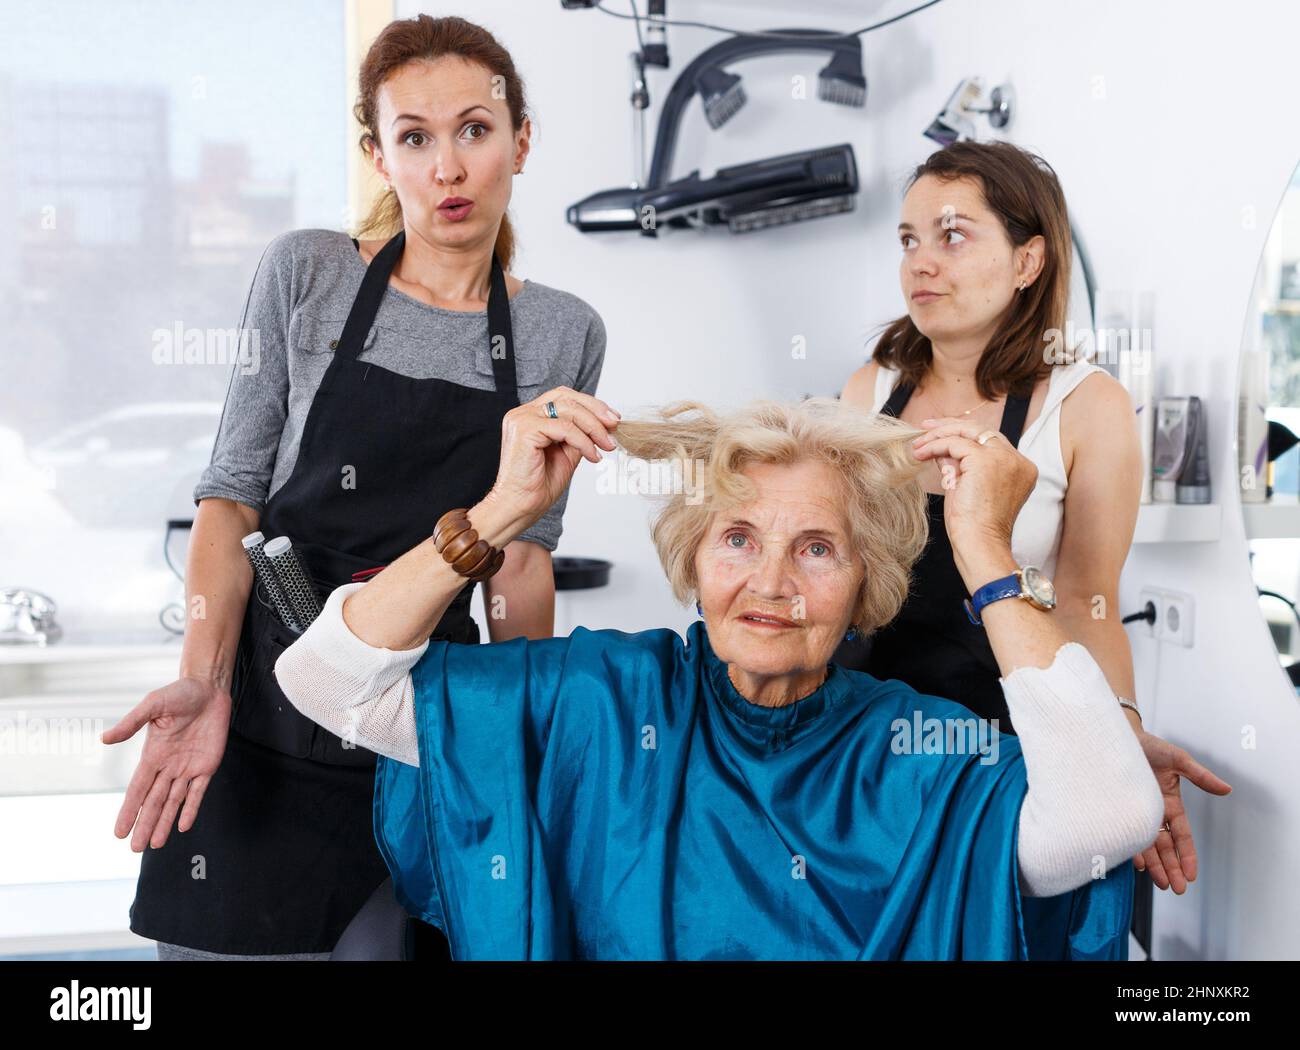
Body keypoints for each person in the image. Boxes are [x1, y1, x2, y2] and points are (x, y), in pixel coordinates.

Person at [273, 386, 1164, 960]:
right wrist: (502, 510)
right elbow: (326, 680)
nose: (770, 584)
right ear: (694, 561)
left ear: (867, 587)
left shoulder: (918, 753)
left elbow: (1106, 818)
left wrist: (984, 551)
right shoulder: (602, 703)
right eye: (738, 539)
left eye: (816, 548)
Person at [102, 14, 606, 960]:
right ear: (380, 156)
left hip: (416, 732)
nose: (447, 168)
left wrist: (515, 739)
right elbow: (233, 499)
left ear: (521, 140)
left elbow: (520, 558)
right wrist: (203, 686)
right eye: (413, 138)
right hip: (256, 718)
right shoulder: (310, 274)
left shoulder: (561, 333)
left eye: (474, 129)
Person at [839, 140, 1230, 897]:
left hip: (1008, 740)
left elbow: (1090, 601)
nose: (921, 262)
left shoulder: (1088, 406)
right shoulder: (870, 388)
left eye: (953, 235)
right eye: (909, 240)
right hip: (865, 734)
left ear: (1028, 261)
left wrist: (1121, 732)